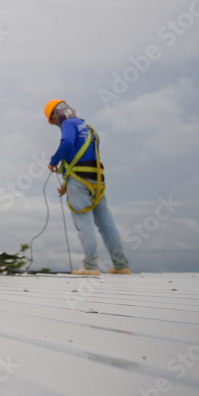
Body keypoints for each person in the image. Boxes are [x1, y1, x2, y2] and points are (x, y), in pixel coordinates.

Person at [44, 99, 129, 275]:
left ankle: (90, 267)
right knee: (107, 224)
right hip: (97, 181)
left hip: (79, 181)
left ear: (55, 115)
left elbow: (67, 143)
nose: (55, 125)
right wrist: (67, 185)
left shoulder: (68, 124)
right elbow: (82, 158)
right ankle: (121, 266)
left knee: (84, 223)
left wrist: (54, 160)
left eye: (52, 121)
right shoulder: (88, 128)